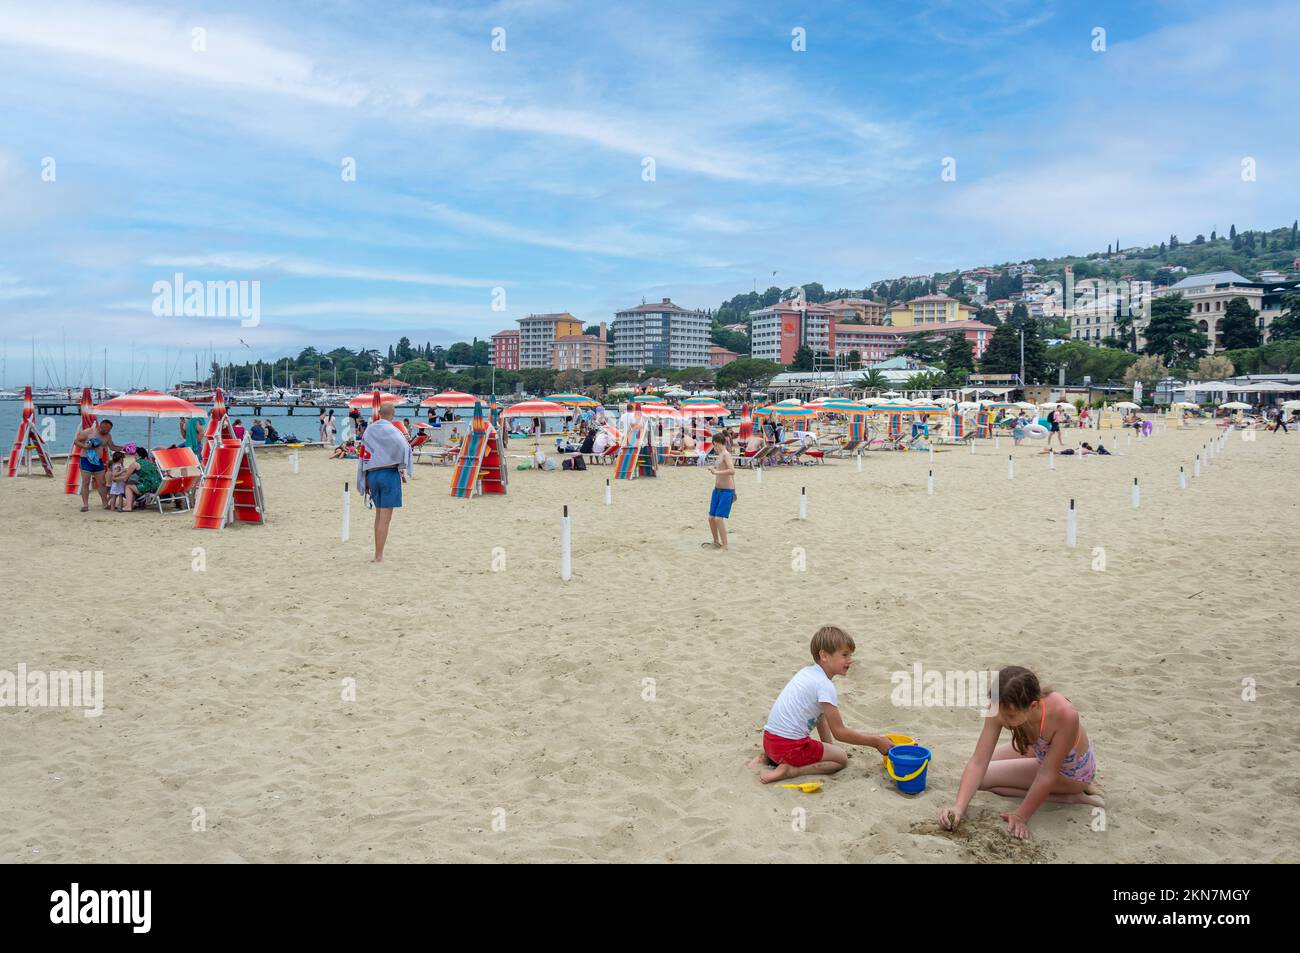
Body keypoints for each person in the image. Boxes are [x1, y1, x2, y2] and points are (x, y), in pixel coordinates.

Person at [939, 666, 1104, 841]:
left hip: (1071, 772)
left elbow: (1047, 774)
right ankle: (1072, 791)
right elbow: (978, 761)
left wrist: (1021, 816)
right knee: (977, 777)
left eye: (1010, 715)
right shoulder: (1001, 705)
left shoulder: (1065, 714)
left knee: (987, 778)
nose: (1003, 719)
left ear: (1033, 705)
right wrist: (958, 807)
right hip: (1041, 751)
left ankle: (1072, 796)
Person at [749, 626, 895, 784]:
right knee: (840, 760)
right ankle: (792, 771)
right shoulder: (825, 685)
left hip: (770, 742)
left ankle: (766, 758)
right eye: (845, 655)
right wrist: (876, 741)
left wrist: (828, 748)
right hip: (789, 749)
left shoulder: (807, 673)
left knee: (833, 752)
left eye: (850, 655)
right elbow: (840, 732)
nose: (850, 660)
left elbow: (819, 717)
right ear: (824, 655)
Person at [356, 403, 412, 564]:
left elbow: (364, 454)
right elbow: (404, 447)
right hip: (388, 474)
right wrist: (401, 463)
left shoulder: (370, 430)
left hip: (372, 474)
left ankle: (377, 553)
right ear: (393, 414)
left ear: (379, 413)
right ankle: (378, 555)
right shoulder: (394, 430)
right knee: (385, 518)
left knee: (379, 515)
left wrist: (365, 477)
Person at [73, 419, 120, 512]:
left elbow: (112, 447)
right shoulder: (89, 432)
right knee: (86, 482)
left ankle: (105, 503)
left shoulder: (107, 436)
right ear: (101, 426)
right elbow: (76, 441)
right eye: (106, 429)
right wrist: (85, 447)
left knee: (102, 483)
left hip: (98, 461)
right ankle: (85, 504)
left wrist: (124, 448)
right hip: (86, 459)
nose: (107, 431)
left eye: (109, 430)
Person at [704, 429, 736, 550]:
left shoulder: (726, 454)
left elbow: (732, 471)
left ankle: (725, 545)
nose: (714, 448)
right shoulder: (720, 455)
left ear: (716, 443)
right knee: (711, 517)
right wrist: (713, 467)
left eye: (714, 445)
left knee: (718, 518)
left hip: (726, 491)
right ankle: (716, 541)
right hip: (717, 490)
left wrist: (716, 471)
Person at [124, 445, 160, 510]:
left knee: (128, 486)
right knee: (136, 485)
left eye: (135, 454)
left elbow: (125, 478)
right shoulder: (150, 463)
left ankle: (128, 506)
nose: (134, 456)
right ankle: (137, 503)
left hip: (148, 487)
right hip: (158, 487)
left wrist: (114, 478)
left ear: (137, 454)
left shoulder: (135, 464)